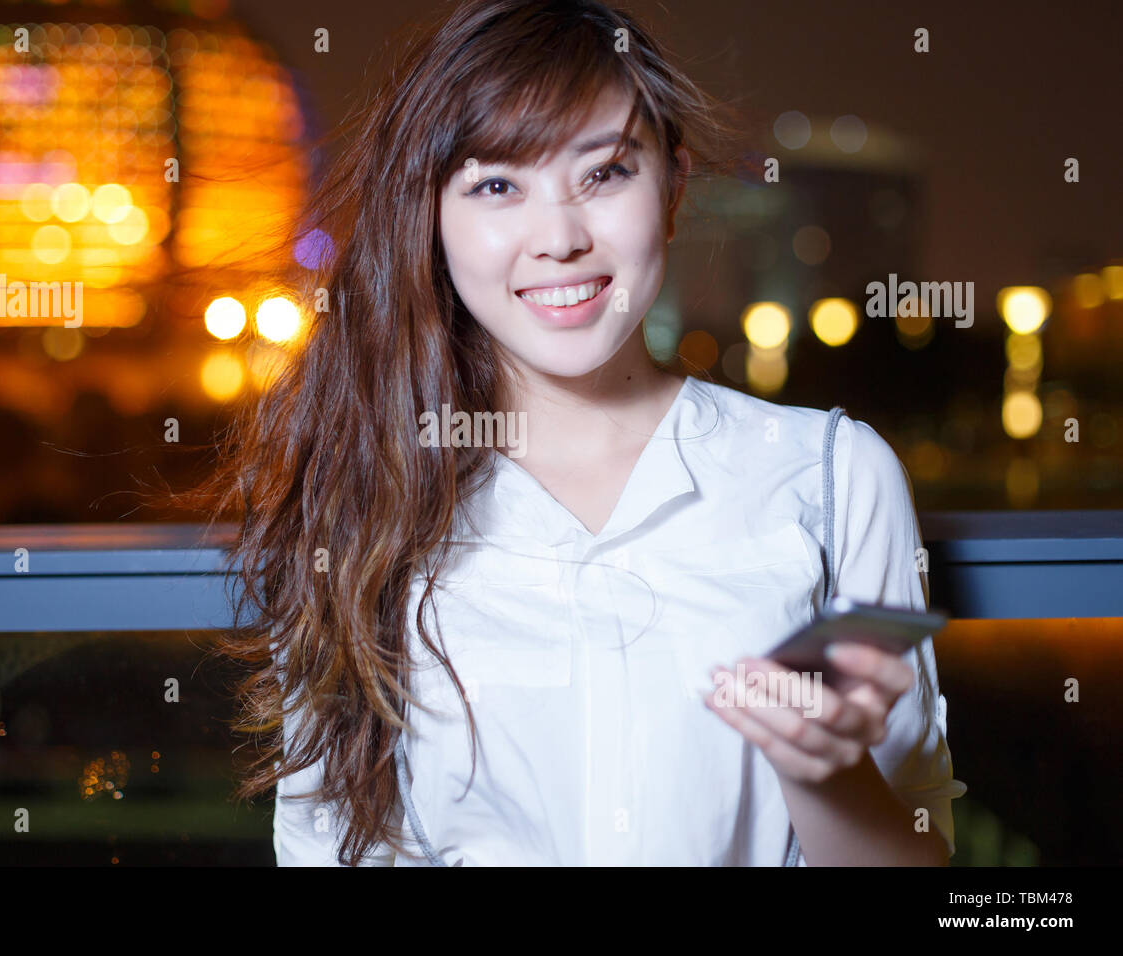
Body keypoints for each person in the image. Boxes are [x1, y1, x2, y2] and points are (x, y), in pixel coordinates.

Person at [209, 0, 965, 866]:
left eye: (604, 174)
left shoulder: (834, 479)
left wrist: (827, 777)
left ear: (673, 188)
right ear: (431, 218)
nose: (561, 237)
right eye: (498, 186)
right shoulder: (362, 500)